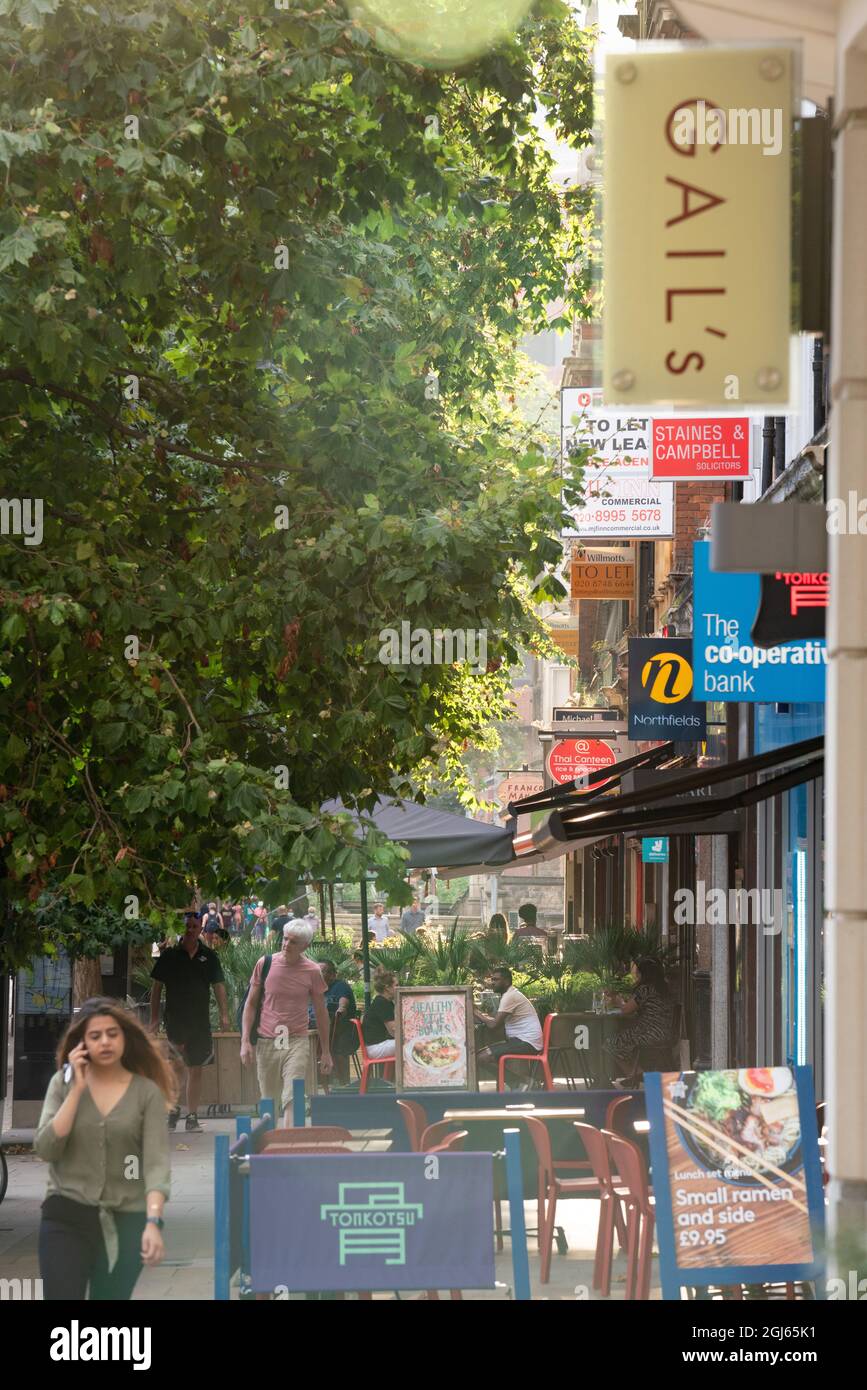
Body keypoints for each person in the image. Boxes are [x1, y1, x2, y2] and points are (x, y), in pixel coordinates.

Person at [34, 998, 174, 1301]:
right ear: (81, 1044)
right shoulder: (62, 1084)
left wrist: (153, 1222)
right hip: (66, 1214)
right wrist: (77, 1090)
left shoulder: (145, 1093)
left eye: (113, 1033)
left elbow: (155, 1165)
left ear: (125, 1037)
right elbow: (46, 1148)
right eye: (95, 1036)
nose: (105, 1042)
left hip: (127, 1219)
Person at [240, 919, 333, 1124]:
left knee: (293, 1096)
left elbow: (321, 1011)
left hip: (297, 1041)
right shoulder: (265, 963)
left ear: (305, 946)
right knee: (269, 1101)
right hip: (266, 1040)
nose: (286, 944)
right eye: (285, 939)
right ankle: (272, 1144)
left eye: (293, 942)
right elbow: (251, 1004)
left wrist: (325, 1051)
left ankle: (287, 1142)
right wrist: (245, 1041)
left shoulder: (312, 971)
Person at [149, 912, 230, 1132]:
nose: (191, 929)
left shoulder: (209, 956)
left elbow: (219, 987)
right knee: (175, 1068)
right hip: (175, 1021)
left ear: (200, 929)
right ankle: (173, 1110)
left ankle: (192, 1116)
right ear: (181, 928)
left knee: (196, 1068)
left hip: (200, 1022)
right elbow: (156, 989)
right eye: (187, 926)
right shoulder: (169, 956)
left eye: (195, 926)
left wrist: (224, 1014)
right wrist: (154, 1018)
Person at [604, 957, 675, 1087]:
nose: (636, 975)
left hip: (649, 1034)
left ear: (643, 974)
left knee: (611, 1043)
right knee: (624, 1038)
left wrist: (617, 1000)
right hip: (666, 1035)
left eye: (638, 973)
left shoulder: (645, 990)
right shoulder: (665, 989)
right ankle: (636, 1074)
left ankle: (635, 1074)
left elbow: (626, 1010)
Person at [475, 966, 543, 1088]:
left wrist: (475, 1012)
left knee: (481, 1058)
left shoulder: (509, 996)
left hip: (527, 1042)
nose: (493, 983)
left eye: (496, 980)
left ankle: (522, 1082)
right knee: (479, 1055)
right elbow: (497, 1021)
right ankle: (521, 1082)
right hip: (522, 1040)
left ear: (506, 981)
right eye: (492, 979)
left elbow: (494, 1025)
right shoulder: (509, 994)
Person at [318, 961, 358, 1083]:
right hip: (323, 1032)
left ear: (332, 975)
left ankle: (343, 1083)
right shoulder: (316, 989)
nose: (316, 974)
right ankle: (318, 1081)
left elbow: (343, 1001)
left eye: (320, 972)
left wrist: (341, 1008)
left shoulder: (340, 986)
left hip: (345, 1031)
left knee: (338, 1050)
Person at [361, 968, 397, 1061]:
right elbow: (393, 1031)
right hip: (375, 1047)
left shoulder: (384, 1001)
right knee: (408, 1045)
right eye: (396, 985)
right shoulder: (382, 1003)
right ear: (387, 988)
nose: (399, 988)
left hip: (378, 1044)